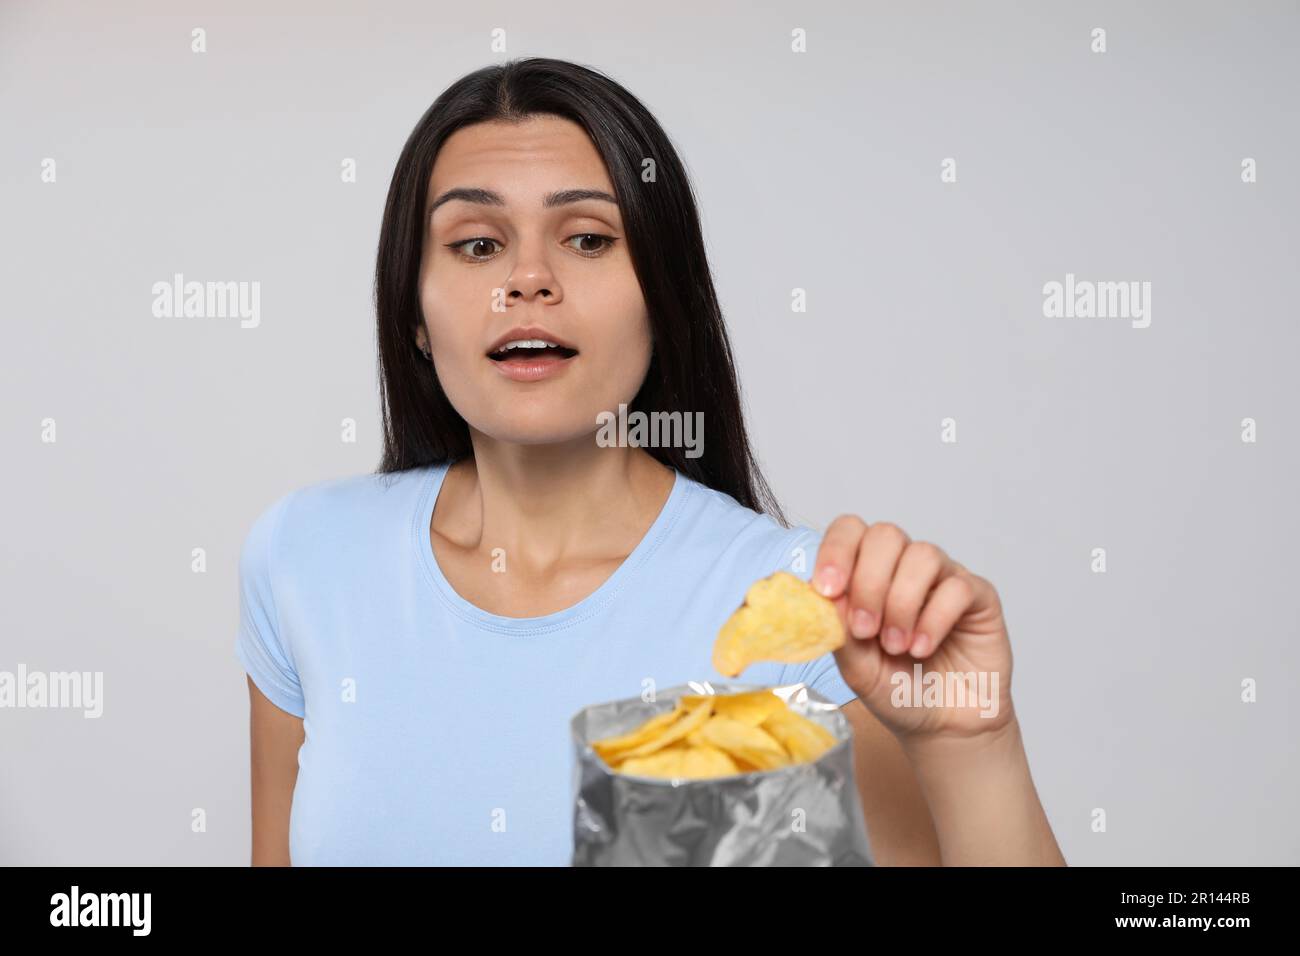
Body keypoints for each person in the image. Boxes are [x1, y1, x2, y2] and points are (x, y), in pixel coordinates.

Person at [237, 56, 1064, 866]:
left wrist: (974, 745)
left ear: (663, 300)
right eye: (478, 245)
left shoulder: (819, 615)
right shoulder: (305, 558)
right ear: (413, 311)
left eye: (589, 238)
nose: (527, 278)